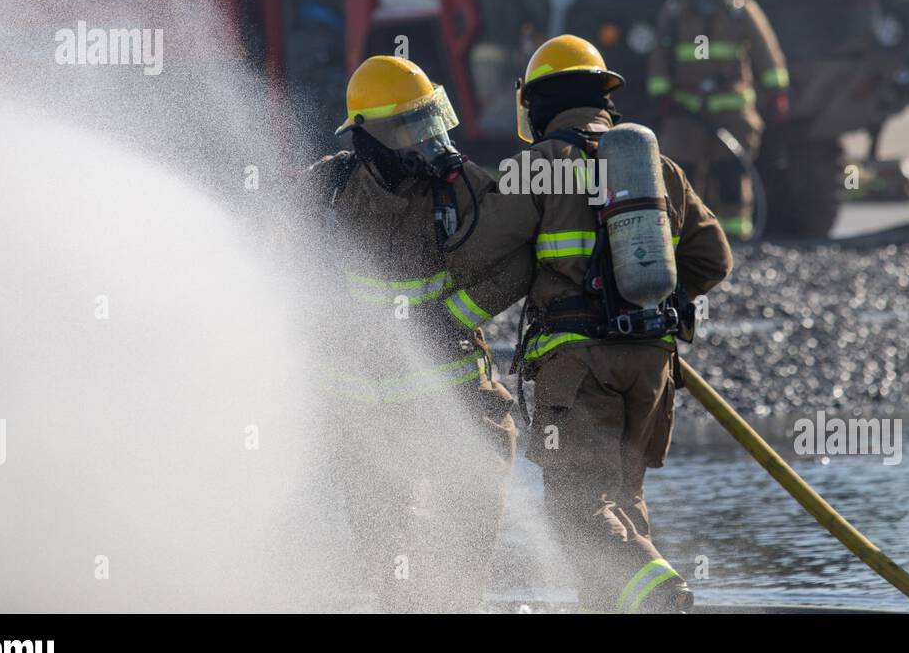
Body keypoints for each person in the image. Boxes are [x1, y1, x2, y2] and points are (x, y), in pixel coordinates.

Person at [447, 35, 734, 613]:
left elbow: (472, 253)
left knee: (577, 506)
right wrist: (667, 299)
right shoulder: (659, 168)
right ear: (604, 98)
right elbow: (714, 258)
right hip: (653, 366)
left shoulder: (541, 165)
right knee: (621, 500)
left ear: (536, 103)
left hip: (579, 367)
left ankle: (659, 590)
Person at [306, 55, 529, 612]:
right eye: (411, 131)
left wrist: (456, 314)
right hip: (362, 414)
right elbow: (272, 243)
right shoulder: (331, 187)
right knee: (388, 563)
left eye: (431, 123)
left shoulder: (464, 190)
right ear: (370, 140)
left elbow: (520, 258)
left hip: (456, 396)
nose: (429, 143)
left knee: (467, 534)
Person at [646, 0, 790, 239]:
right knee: (679, 177)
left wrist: (776, 92)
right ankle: (683, 241)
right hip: (686, 115)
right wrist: (662, 98)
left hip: (733, 113)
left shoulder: (742, 12)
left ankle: (736, 241)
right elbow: (660, 61)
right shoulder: (675, 16)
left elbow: (768, 55)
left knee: (731, 178)